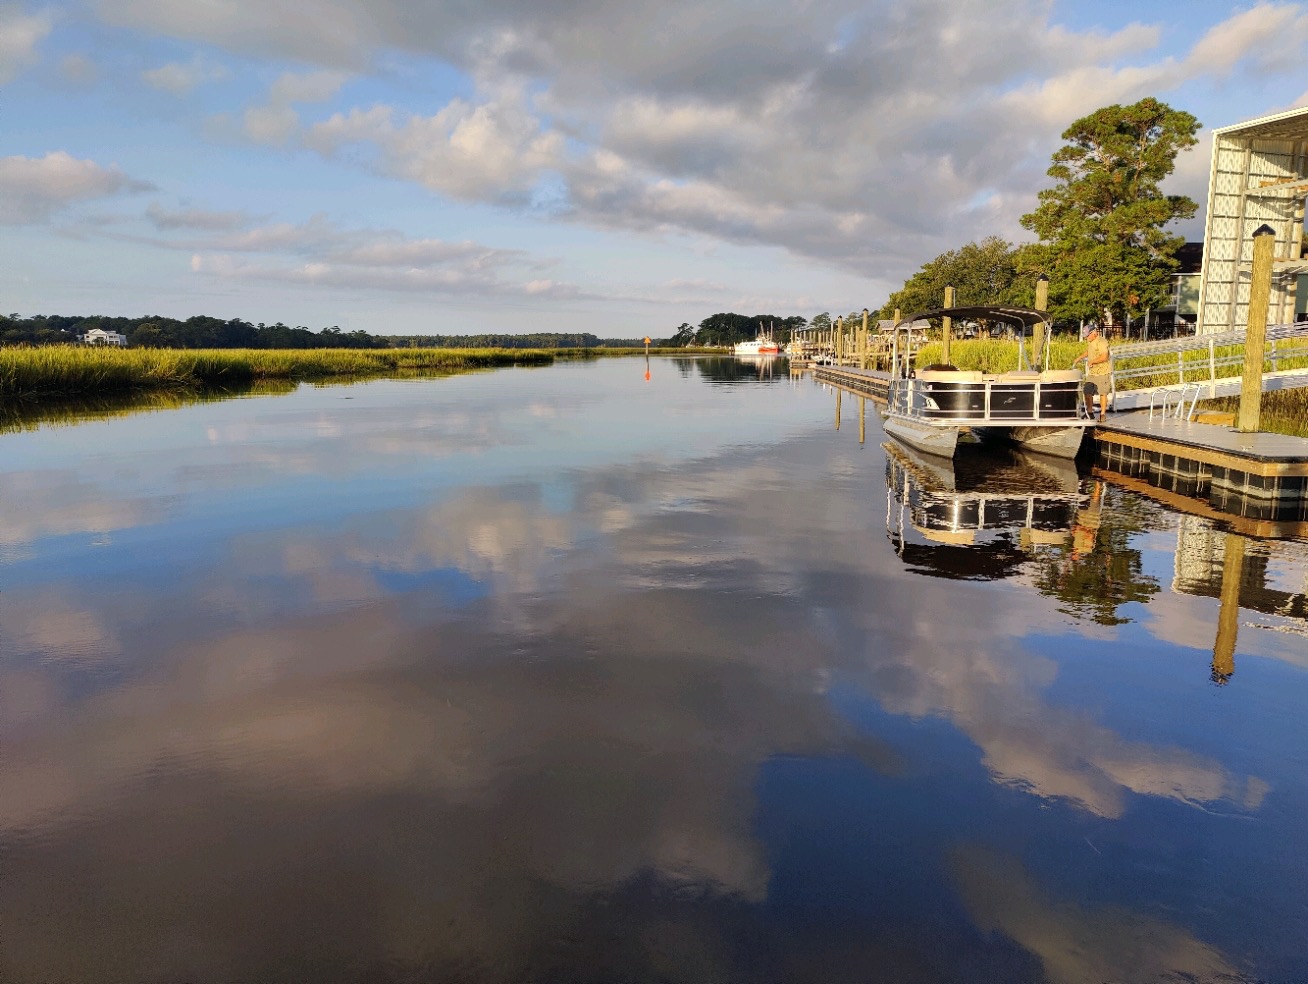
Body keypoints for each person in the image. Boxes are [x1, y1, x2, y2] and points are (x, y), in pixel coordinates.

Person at [1073, 326, 1112, 421]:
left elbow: (1104, 357)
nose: (1086, 338)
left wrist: (1092, 361)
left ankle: (1102, 414)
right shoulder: (1090, 341)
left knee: (1103, 393)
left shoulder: (1102, 342)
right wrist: (1080, 358)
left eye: (1087, 335)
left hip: (1103, 372)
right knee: (1087, 391)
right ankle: (1089, 413)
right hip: (1092, 373)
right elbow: (1089, 351)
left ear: (1094, 333)